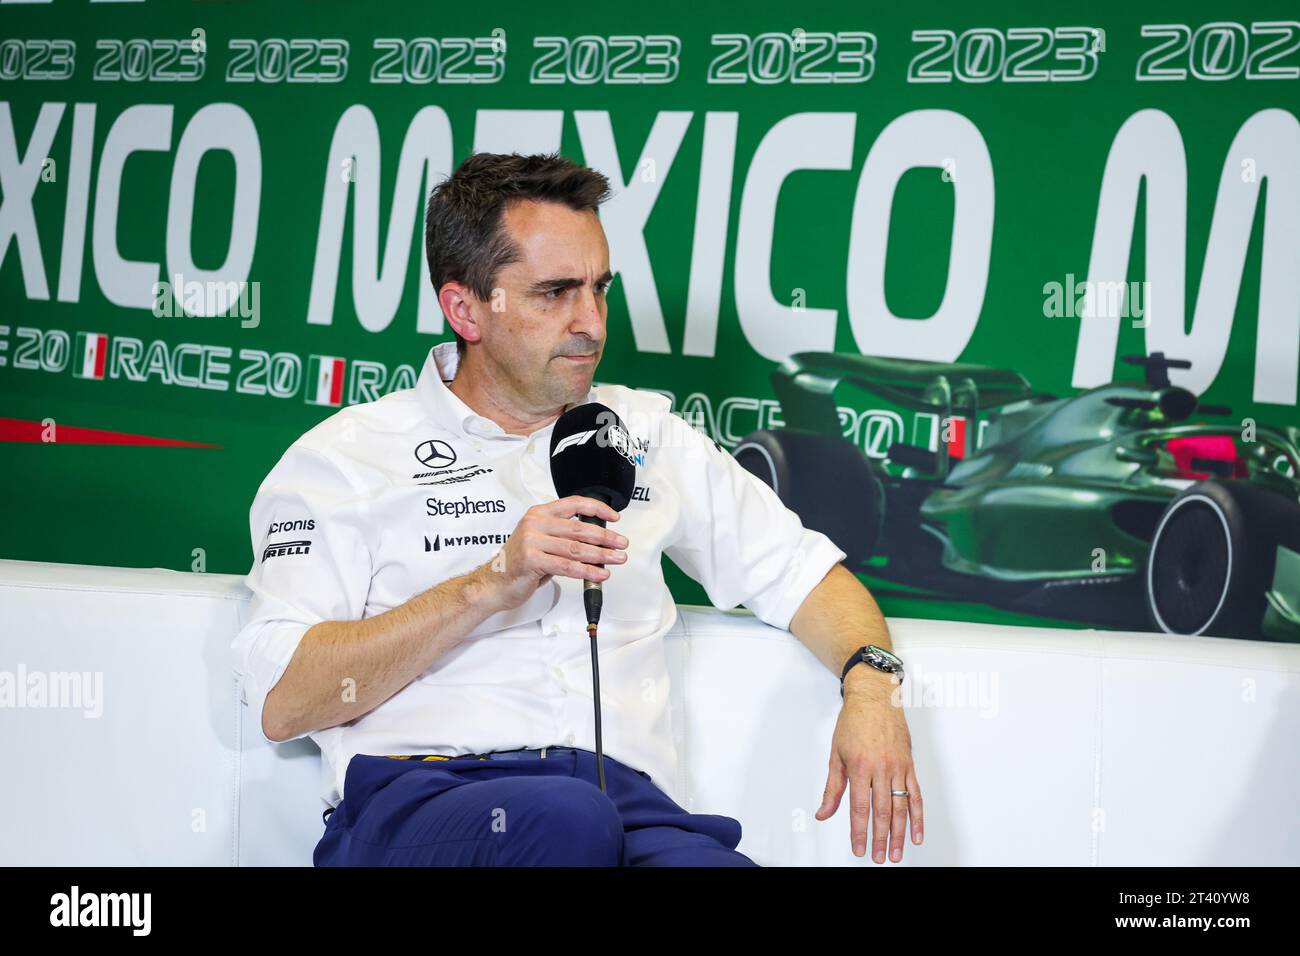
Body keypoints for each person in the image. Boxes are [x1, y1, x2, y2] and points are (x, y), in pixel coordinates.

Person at [231, 151, 923, 866]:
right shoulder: (348, 458)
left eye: (600, 289)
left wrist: (872, 686)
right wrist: (488, 585)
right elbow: (285, 701)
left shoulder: (648, 432)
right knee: (565, 820)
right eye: (555, 293)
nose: (590, 322)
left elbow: (806, 578)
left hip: (628, 812)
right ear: (465, 308)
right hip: (422, 804)